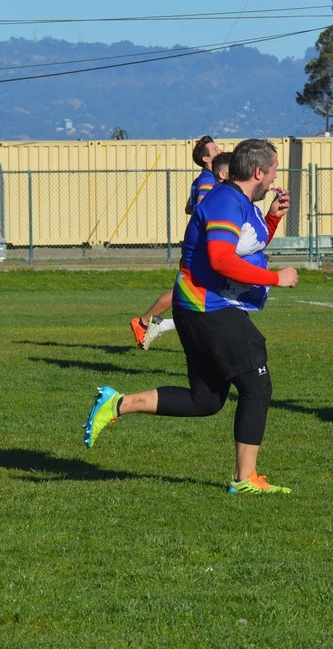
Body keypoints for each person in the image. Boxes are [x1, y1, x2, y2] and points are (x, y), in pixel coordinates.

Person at [84, 139, 299, 494]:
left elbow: (249, 246)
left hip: (201, 307)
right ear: (259, 172)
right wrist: (277, 278)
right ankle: (245, 480)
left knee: (207, 400)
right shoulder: (226, 201)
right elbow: (221, 259)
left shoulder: (240, 202)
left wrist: (273, 215)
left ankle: (117, 402)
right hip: (206, 307)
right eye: (274, 170)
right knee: (256, 381)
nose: (276, 177)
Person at [136, 151, 236, 351]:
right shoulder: (208, 180)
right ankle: (148, 322)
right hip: (204, 248)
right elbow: (201, 208)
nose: (219, 150)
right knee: (202, 297)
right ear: (207, 159)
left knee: (211, 298)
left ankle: (159, 324)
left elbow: (190, 207)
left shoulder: (201, 178)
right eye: (214, 149)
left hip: (199, 245)